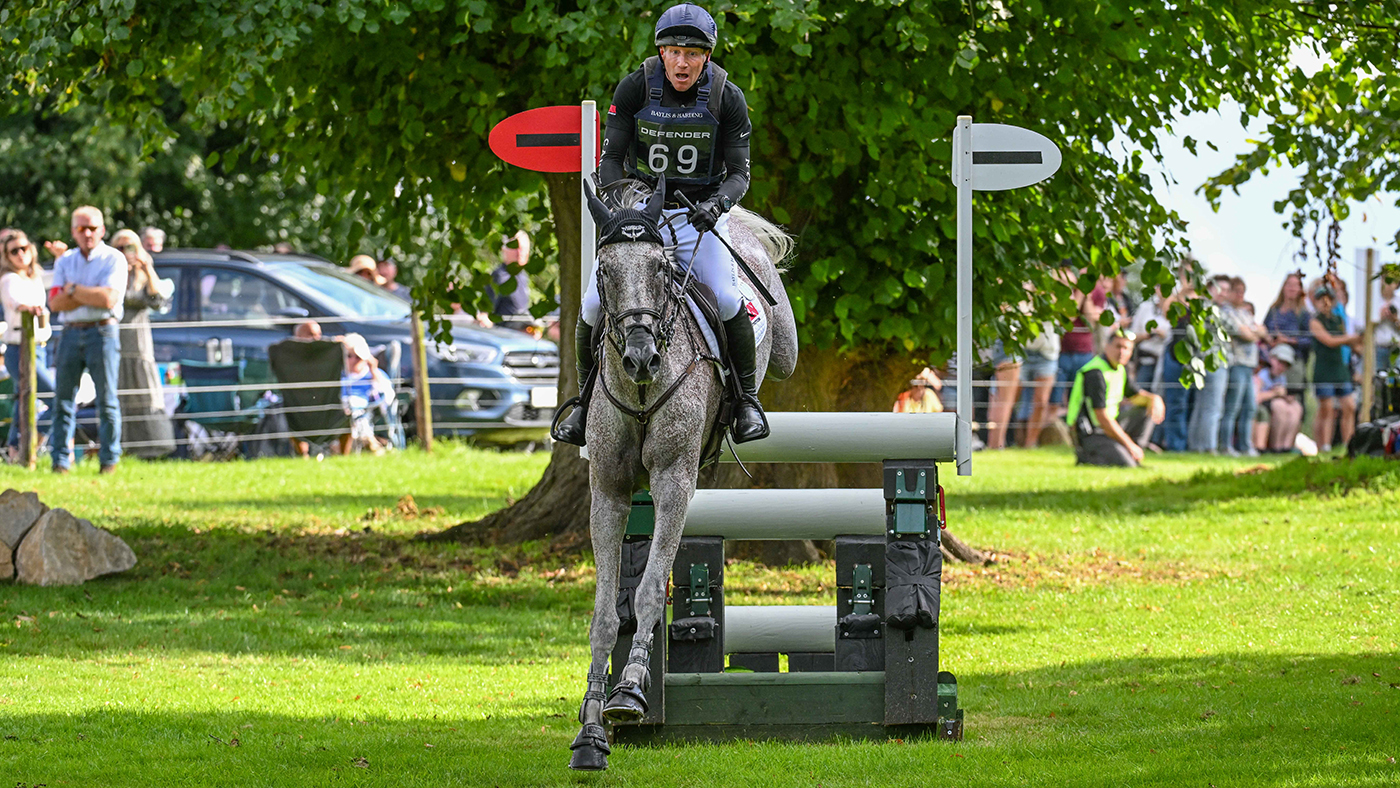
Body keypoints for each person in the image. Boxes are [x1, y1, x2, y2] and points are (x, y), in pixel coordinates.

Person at [556, 3, 769, 446]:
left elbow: (739, 174)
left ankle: (746, 401)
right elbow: (611, 160)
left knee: (728, 298)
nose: (682, 62)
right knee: (594, 306)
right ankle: (583, 404)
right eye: (674, 51)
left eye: (693, 54)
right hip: (639, 215)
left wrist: (717, 206)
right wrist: (625, 205)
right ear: (662, 51)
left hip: (698, 216)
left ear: (707, 56)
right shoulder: (635, 87)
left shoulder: (726, 96)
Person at [47, 206, 128, 474]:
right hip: (70, 333)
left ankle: (109, 461)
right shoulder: (65, 261)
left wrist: (72, 290)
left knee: (107, 399)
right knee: (63, 400)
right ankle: (60, 462)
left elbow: (108, 300)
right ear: (73, 232)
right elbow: (56, 303)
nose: (88, 233)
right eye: (82, 228)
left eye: (93, 228)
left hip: (102, 331)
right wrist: (86, 294)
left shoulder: (113, 259)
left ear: (102, 230)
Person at [111, 229, 176, 459]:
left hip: (138, 342)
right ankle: (119, 446)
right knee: (117, 394)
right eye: (119, 248)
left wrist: (147, 267)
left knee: (145, 393)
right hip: (113, 339)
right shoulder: (110, 271)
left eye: (129, 247)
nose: (124, 252)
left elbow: (158, 301)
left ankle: (153, 448)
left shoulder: (143, 274)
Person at [1065, 329, 1165, 467]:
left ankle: (1134, 455)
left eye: (1126, 348)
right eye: (1118, 346)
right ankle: (1086, 457)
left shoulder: (1120, 369)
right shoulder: (1095, 372)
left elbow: (1136, 397)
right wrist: (1129, 445)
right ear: (1107, 346)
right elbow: (1101, 417)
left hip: (1110, 425)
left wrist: (1155, 399)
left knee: (1146, 409)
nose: (1122, 352)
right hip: (1091, 432)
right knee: (1126, 465)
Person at [0, 229, 56, 457]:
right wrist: (27, 308)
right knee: (56, 397)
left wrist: (61, 256)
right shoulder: (8, 278)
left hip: (40, 348)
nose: (20, 254)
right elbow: (14, 301)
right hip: (18, 348)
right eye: (14, 251)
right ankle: (32, 443)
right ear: (7, 256)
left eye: (24, 248)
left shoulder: (35, 277)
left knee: (23, 402)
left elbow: (58, 277)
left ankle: (14, 450)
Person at [1218, 277, 1267, 456]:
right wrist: (1254, 333)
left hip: (1249, 367)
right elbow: (1246, 333)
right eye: (1236, 291)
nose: (1240, 295)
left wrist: (1252, 333)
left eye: (1242, 291)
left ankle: (1246, 446)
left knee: (1249, 407)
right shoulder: (1226, 312)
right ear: (1229, 292)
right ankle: (1225, 445)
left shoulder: (1246, 313)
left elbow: (1263, 331)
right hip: (1236, 365)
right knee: (1232, 406)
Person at [1308, 284, 1360, 453]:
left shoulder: (1339, 320)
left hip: (1340, 369)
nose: (1326, 303)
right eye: (1322, 299)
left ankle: (1348, 444)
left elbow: (1346, 341)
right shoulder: (1315, 322)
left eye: (1329, 299)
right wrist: (1350, 338)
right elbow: (1329, 341)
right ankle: (1324, 446)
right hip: (1324, 370)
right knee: (1327, 409)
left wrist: (1359, 345)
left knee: (1349, 406)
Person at [1185, 276, 1230, 453]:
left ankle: (1196, 446)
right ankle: (1209, 447)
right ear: (1209, 289)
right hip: (1213, 362)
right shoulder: (1210, 308)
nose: (1223, 294)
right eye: (1220, 289)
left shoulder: (1200, 306)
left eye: (1227, 290)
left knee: (1202, 406)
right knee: (1212, 407)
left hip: (1201, 362)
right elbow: (1234, 326)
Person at [339, 333, 396, 455]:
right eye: (349, 356)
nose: (352, 361)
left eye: (357, 357)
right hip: (338, 414)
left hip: (362, 415)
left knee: (358, 419)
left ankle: (370, 444)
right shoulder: (339, 376)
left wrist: (374, 371)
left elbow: (388, 398)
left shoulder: (373, 374)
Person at [1253, 343, 1302, 452]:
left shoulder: (1281, 377)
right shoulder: (1262, 374)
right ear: (1271, 359)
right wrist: (1274, 393)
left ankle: (1287, 446)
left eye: (1285, 365)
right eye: (1279, 362)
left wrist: (1286, 396)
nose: (1281, 367)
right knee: (1279, 406)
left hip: (1275, 403)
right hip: (1263, 406)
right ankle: (1277, 446)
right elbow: (1255, 398)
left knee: (1296, 407)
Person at [1018, 321, 1060, 447]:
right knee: (1010, 401)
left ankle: (1030, 444)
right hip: (1020, 349)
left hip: (1047, 353)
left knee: (1041, 402)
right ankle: (1006, 443)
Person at [1373, 279, 1398, 370]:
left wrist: (1394, 319)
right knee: (1379, 380)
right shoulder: (1374, 302)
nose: (1387, 284)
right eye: (1385, 279)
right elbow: (1365, 327)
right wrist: (1380, 317)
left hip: (1396, 349)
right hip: (1379, 348)